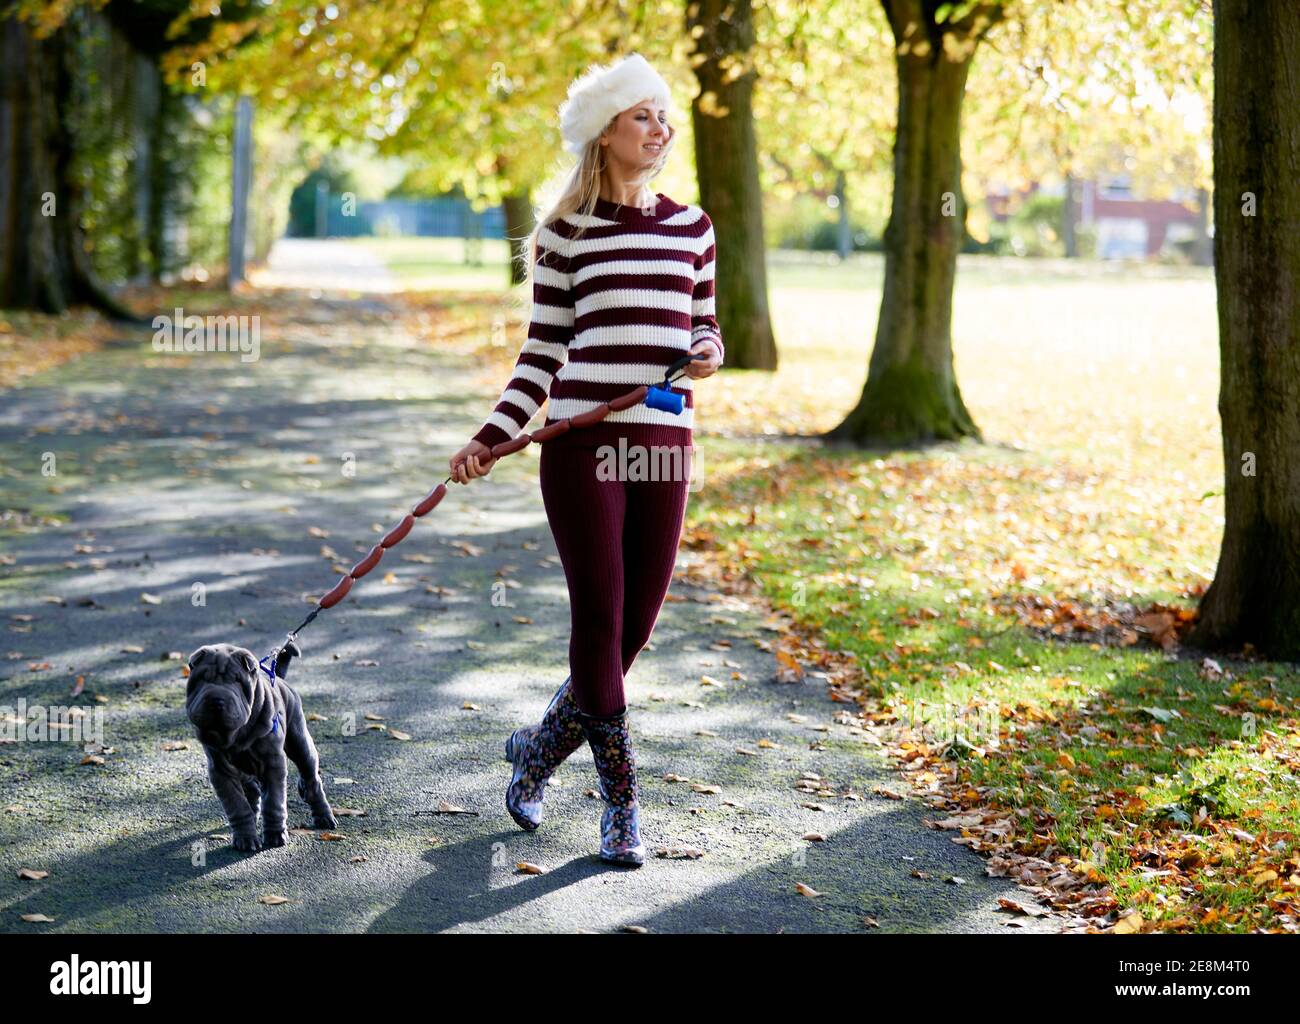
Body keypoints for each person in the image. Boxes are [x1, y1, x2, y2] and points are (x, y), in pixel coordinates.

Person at [448, 52, 723, 866]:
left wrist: (706, 349)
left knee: (632, 632)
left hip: (665, 447)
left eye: (663, 116)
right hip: (581, 449)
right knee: (598, 623)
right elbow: (540, 358)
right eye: (642, 115)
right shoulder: (563, 236)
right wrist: (491, 437)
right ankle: (623, 806)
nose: (659, 128)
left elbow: (707, 329)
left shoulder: (693, 227)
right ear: (604, 133)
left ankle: (537, 751)